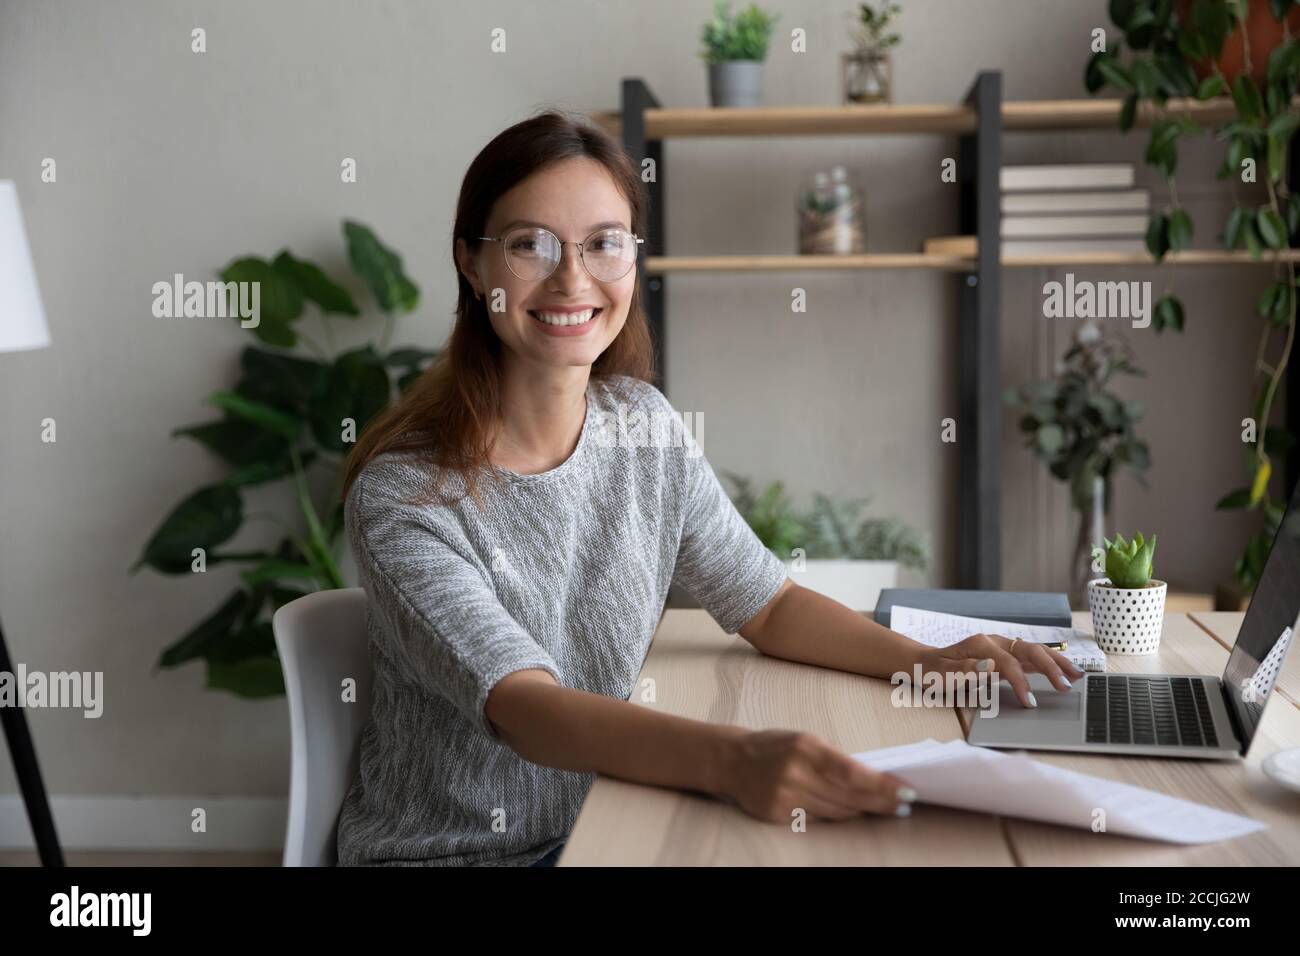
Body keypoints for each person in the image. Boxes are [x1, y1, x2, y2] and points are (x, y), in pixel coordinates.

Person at [335, 110, 1082, 866]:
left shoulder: (643, 427)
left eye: (605, 243)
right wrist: (736, 760)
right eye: (531, 244)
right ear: (471, 263)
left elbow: (769, 604)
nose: (573, 279)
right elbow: (524, 706)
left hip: (615, 818)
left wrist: (928, 661)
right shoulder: (405, 496)